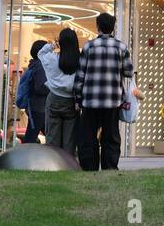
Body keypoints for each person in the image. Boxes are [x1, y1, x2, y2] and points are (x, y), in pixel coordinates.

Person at [72, 11, 134, 171]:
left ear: (97, 26)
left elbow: (80, 75)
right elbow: (128, 71)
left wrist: (77, 99)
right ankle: (110, 167)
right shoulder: (121, 47)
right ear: (112, 28)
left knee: (88, 136)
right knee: (111, 136)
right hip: (113, 101)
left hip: (90, 101)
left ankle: (89, 167)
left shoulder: (89, 46)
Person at [38, 29, 80, 156]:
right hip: (72, 101)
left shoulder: (51, 59)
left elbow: (40, 53)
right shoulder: (80, 61)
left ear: (60, 42)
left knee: (52, 138)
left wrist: (53, 45)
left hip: (54, 99)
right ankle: (68, 165)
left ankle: (53, 164)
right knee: (70, 139)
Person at [18, 39, 50, 143]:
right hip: (39, 107)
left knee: (37, 133)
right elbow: (40, 87)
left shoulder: (34, 64)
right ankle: (25, 156)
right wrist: (53, 89)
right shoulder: (40, 66)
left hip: (35, 106)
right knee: (32, 136)